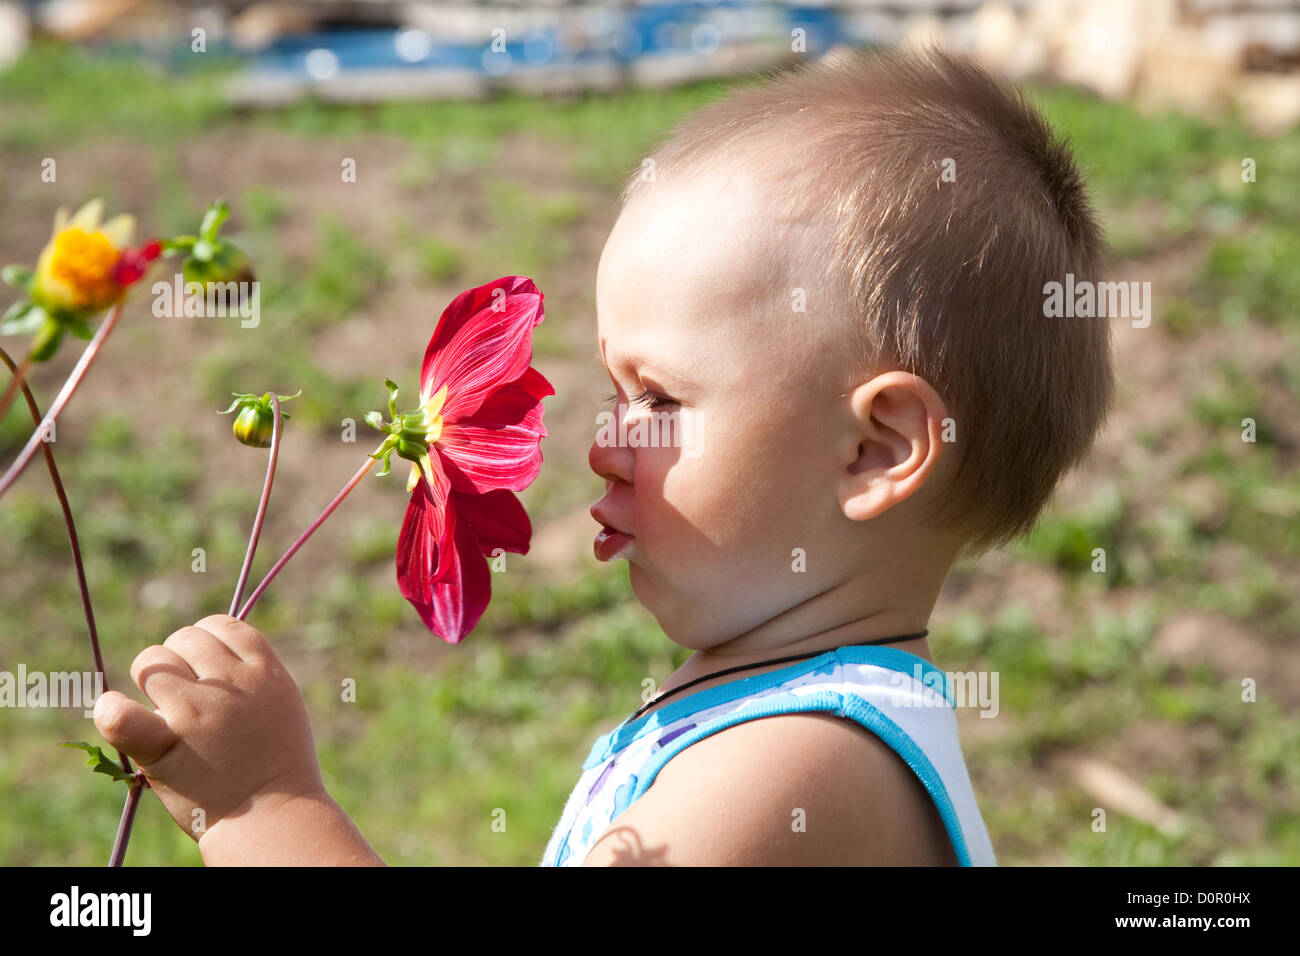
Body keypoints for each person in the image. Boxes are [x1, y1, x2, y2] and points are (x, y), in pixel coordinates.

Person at [92, 46, 1113, 866]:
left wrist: (265, 806)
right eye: (613, 392)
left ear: (872, 449)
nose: (597, 443)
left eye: (658, 397)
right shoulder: (769, 719)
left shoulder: (794, 771)